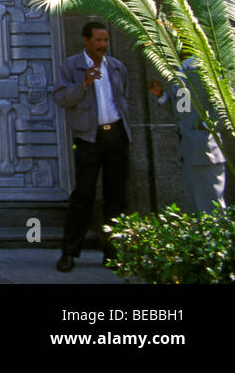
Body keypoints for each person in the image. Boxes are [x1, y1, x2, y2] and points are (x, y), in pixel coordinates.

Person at [53, 20, 131, 272]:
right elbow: (62, 98)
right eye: (98, 40)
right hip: (88, 138)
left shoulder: (116, 67)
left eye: (105, 40)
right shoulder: (72, 67)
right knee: (83, 196)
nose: (102, 45)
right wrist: (83, 85)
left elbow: (123, 98)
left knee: (116, 197)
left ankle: (113, 252)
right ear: (85, 41)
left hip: (115, 135)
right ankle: (69, 253)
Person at [149, 53, 227, 213]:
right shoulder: (181, 68)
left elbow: (223, 102)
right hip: (189, 152)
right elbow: (182, 110)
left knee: (213, 208)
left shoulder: (202, 67)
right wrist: (162, 96)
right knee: (198, 206)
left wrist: (206, 127)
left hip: (205, 151)